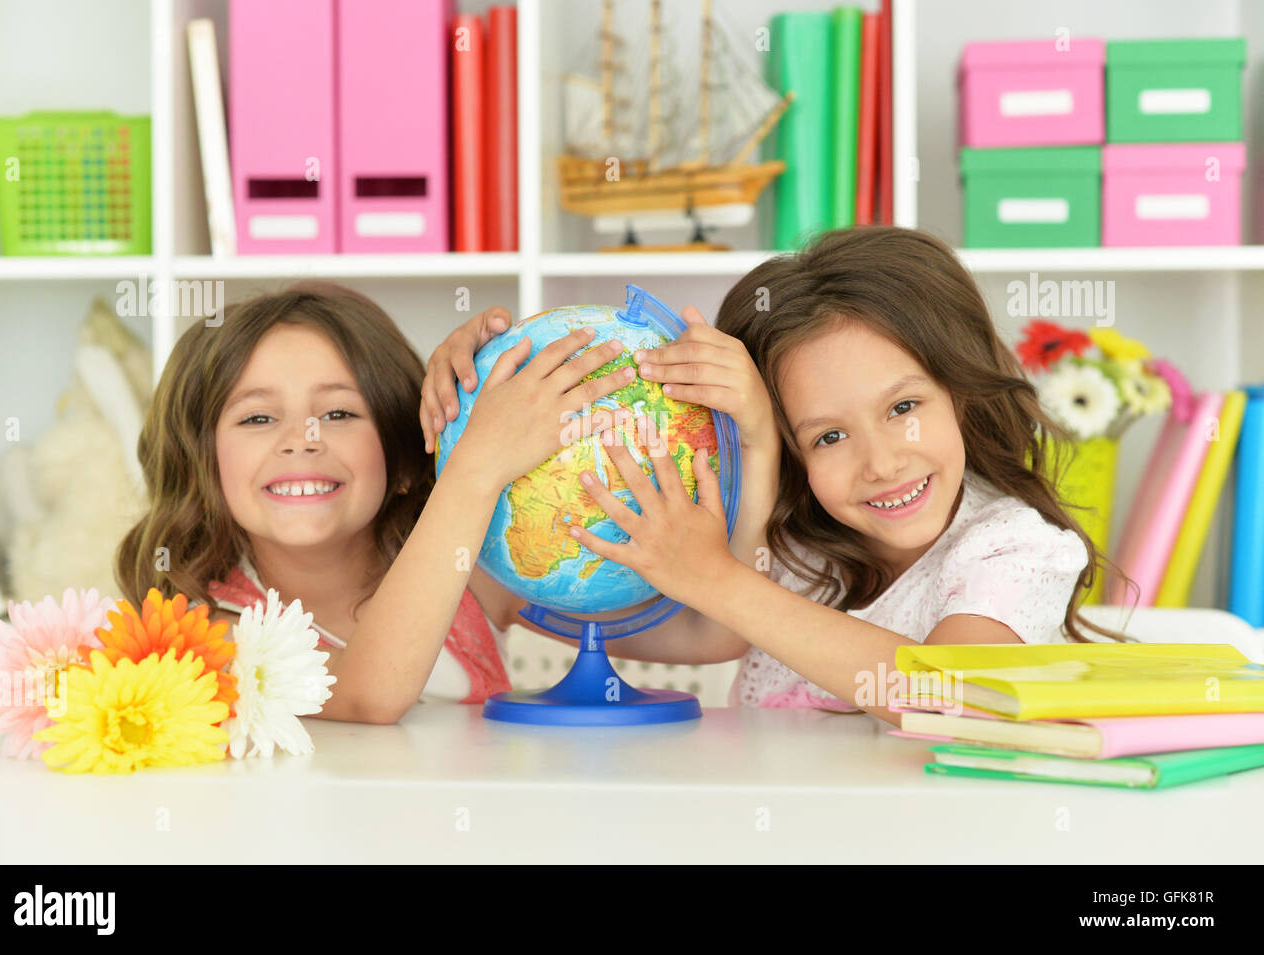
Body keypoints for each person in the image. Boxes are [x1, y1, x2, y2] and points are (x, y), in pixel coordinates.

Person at [422, 227, 1132, 726]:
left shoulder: (1013, 546)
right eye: (827, 435)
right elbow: (660, 622)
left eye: (904, 407)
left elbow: (950, 689)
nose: (881, 461)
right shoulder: (796, 550)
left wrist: (718, 580)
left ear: (962, 393)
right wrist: (478, 387)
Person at [114, 280, 633, 724]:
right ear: (201, 466)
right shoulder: (203, 626)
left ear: (402, 455)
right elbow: (369, 696)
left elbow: (702, 635)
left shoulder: (472, 566)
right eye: (257, 418)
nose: (303, 439)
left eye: (339, 414)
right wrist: (476, 464)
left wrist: (479, 390)